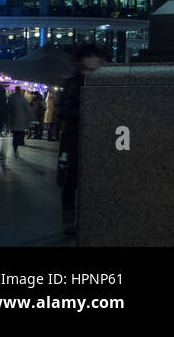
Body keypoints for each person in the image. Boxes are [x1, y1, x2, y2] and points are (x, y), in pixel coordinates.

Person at [59, 44, 105, 236]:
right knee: (71, 179)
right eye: (91, 56)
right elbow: (65, 111)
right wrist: (89, 113)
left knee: (93, 179)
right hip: (74, 137)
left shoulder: (102, 80)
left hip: (95, 137)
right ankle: (69, 222)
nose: (96, 60)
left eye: (98, 56)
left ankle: (89, 218)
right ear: (81, 60)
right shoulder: (74, 82)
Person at [6, 85, 32, 157]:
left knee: (15, 135)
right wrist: (31, 117)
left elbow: (8, 108)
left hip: (13, 119)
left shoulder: (11, 97)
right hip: (21, 120)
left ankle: (15, 149)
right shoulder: (23, 98)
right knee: (19, 134)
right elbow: (28, 109)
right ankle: (16, 147)